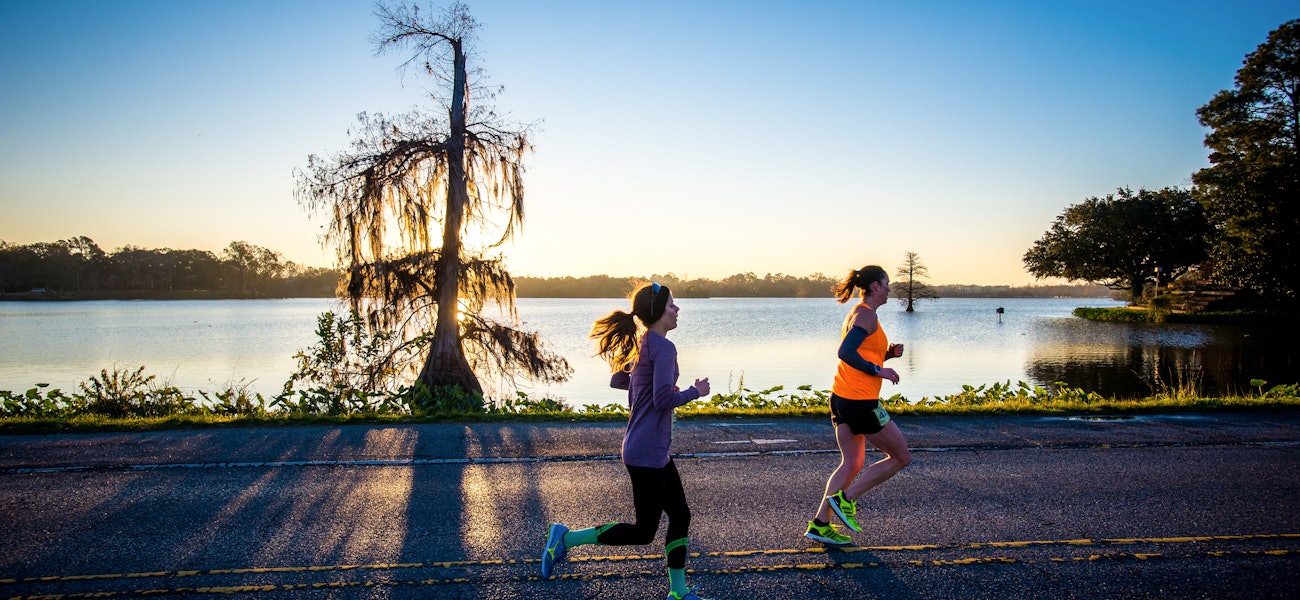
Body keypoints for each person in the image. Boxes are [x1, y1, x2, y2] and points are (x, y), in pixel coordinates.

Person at [541, 282, 712, 600]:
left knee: (680, 515)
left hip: (651, 450)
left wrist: (650, 386)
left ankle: (678, 593)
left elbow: (619, 379)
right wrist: (693, 392)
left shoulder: (647, 342)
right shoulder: (662, 347)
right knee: (644, 531)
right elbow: (661, 400)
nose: (677, 310)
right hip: (646, 452)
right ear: (659, 313)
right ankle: (565, 540)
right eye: (672, 305)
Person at [804, 265, 913, 545]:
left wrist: (885, 357)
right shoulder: (865, 314)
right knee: (901, 457)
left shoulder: (861, 312)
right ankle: (847, 499)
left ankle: (820, 524)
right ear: (876, 286)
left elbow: (860, 355)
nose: (890, 288)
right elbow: (845, 352)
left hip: (841, 398)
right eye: (887, 283)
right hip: (860, 401)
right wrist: (879, 371)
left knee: (852, 462)